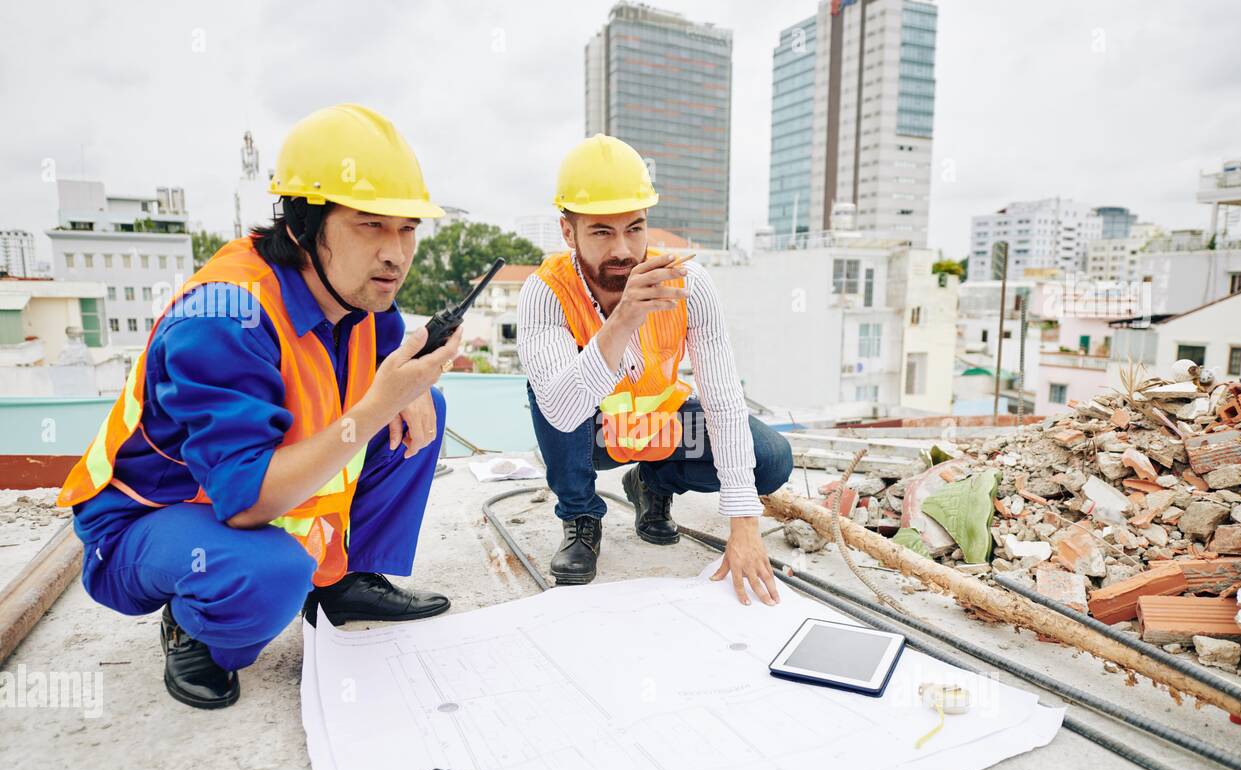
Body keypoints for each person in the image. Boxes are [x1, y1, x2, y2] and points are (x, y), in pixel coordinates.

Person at [57, 104, 464, 709]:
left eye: (407, 229)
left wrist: (402, 398)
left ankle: (341, 581)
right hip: (146, 519)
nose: (395, 254)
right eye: (369, 225)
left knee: (423, 402)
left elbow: (379, 406)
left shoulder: (362, 300)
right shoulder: (222, 319)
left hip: (245, 487)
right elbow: (246, 501)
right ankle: (194, 625)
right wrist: (379, 406)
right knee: (268, 572)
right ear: (303, 225)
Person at [516, 134, 794, 606]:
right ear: (569, 233)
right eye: (602, 232)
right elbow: (562, 412)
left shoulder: (690, 283)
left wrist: (743, 523)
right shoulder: (545, 292)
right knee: (550, 390)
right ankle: (582, 516)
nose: (624, 249)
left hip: (658, 429)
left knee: (771, 459)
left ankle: (651, 483)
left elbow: (723, 398)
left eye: (636, 228)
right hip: (592, 436)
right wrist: (623, 318)